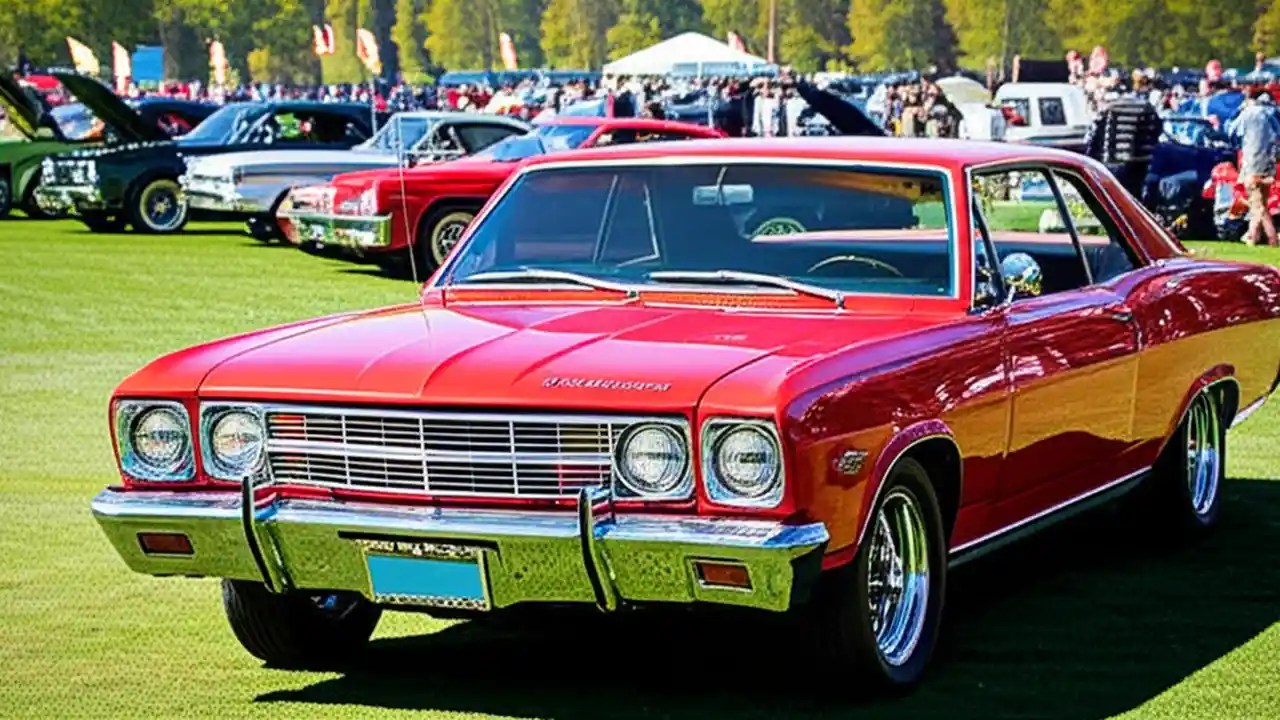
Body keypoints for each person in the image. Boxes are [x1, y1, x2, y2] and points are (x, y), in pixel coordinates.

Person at [1084, 71, 1162, 199]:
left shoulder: (1110, 107)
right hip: (1138, 162)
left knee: (1112, 197)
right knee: (1133, 198)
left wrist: (1092, 156)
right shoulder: (1146, 107)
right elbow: (1156, 130)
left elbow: (1094, 133)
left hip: (1111, 159)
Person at [1229, 87, 1280, 246]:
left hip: (1252, 162)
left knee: (1257, 205)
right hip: (1269, 163)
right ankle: (1253, 236)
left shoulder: (1247, 113)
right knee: (1261, 201)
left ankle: (1273, 239)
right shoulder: (1272, 113)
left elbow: (1231, 132)